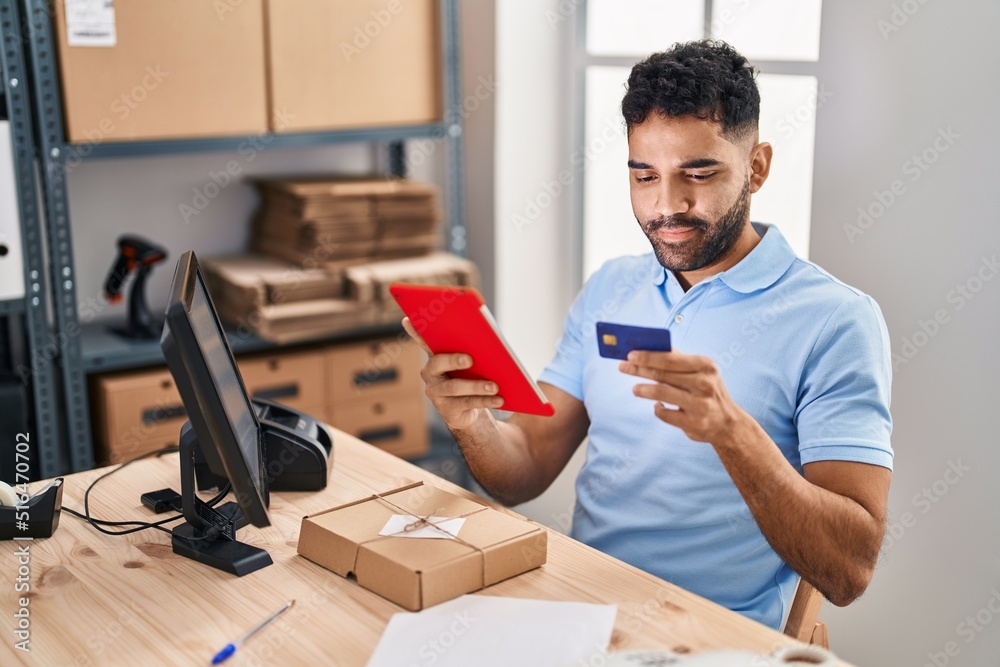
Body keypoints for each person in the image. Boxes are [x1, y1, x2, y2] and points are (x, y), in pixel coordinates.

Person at [403, 40, 893, 630]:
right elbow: (526, 468)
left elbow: (848, 571)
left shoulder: (836, 320)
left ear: (757, 167)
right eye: (644, 175)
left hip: (714, 632)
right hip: (574, 606)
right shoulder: (612, 285)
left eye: (699, 173)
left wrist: (733, 433)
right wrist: (471, 422)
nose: (668, 206)